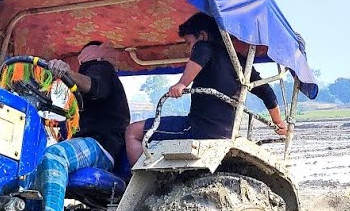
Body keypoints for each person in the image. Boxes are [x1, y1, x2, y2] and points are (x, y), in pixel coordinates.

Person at [124, 12, 289, 165]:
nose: (188, 49)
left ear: (202, 36)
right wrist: (278, 123)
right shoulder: (241, 62)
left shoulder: (204, 46)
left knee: (133, 131)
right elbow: (267, 93)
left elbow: (202, 52)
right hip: (227, 131)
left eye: (189, 43)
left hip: (199, 128)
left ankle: (138, 181)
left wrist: (182, 83)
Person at [16, 41, 130, 211]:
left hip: (102, 146)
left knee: (55, 156)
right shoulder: (90, 77)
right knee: (31, 162)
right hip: (90, 142)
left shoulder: (102, 69)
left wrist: (68, 73)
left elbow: (95, 87)